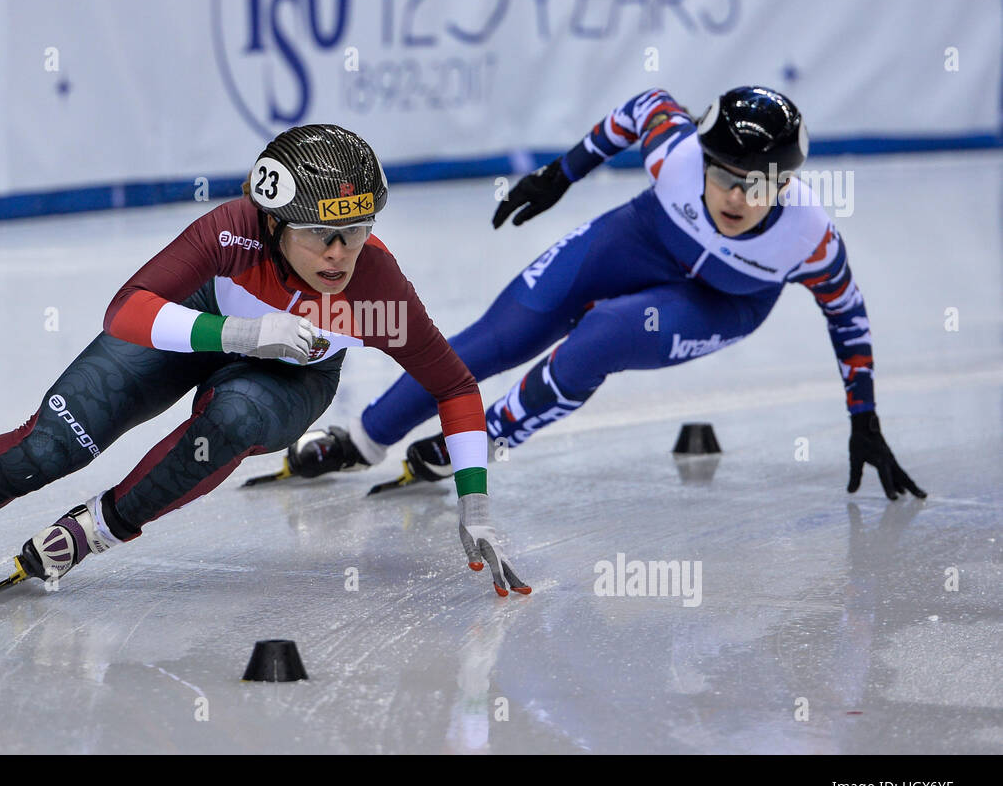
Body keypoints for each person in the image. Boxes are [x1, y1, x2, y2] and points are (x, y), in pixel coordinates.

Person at [0, 124, 529, 596]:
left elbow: (454, 387)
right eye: (321, 236)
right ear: (272, 221)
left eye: (358, 231)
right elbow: (127, 309)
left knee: (235, 414)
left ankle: (97, 525)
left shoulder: (375, 282)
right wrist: (244, 336)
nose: (341, 255)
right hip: (204, 325)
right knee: (54, 442)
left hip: (292, 376)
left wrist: (475, 501)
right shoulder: (231, 232)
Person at [284, 87, 925, 503]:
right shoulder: (675, 153)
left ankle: (485, 438)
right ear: (701, 159)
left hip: (721, 300)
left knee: (604, 335)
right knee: (496, 337)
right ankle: (363, 439)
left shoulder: (809, 239)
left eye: (757, 185)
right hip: (642, 238)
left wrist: (863, 416)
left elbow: (849, 320)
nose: (736, 197)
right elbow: (643, 108)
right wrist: (559, 176)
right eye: (723, 175)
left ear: (785, 184)